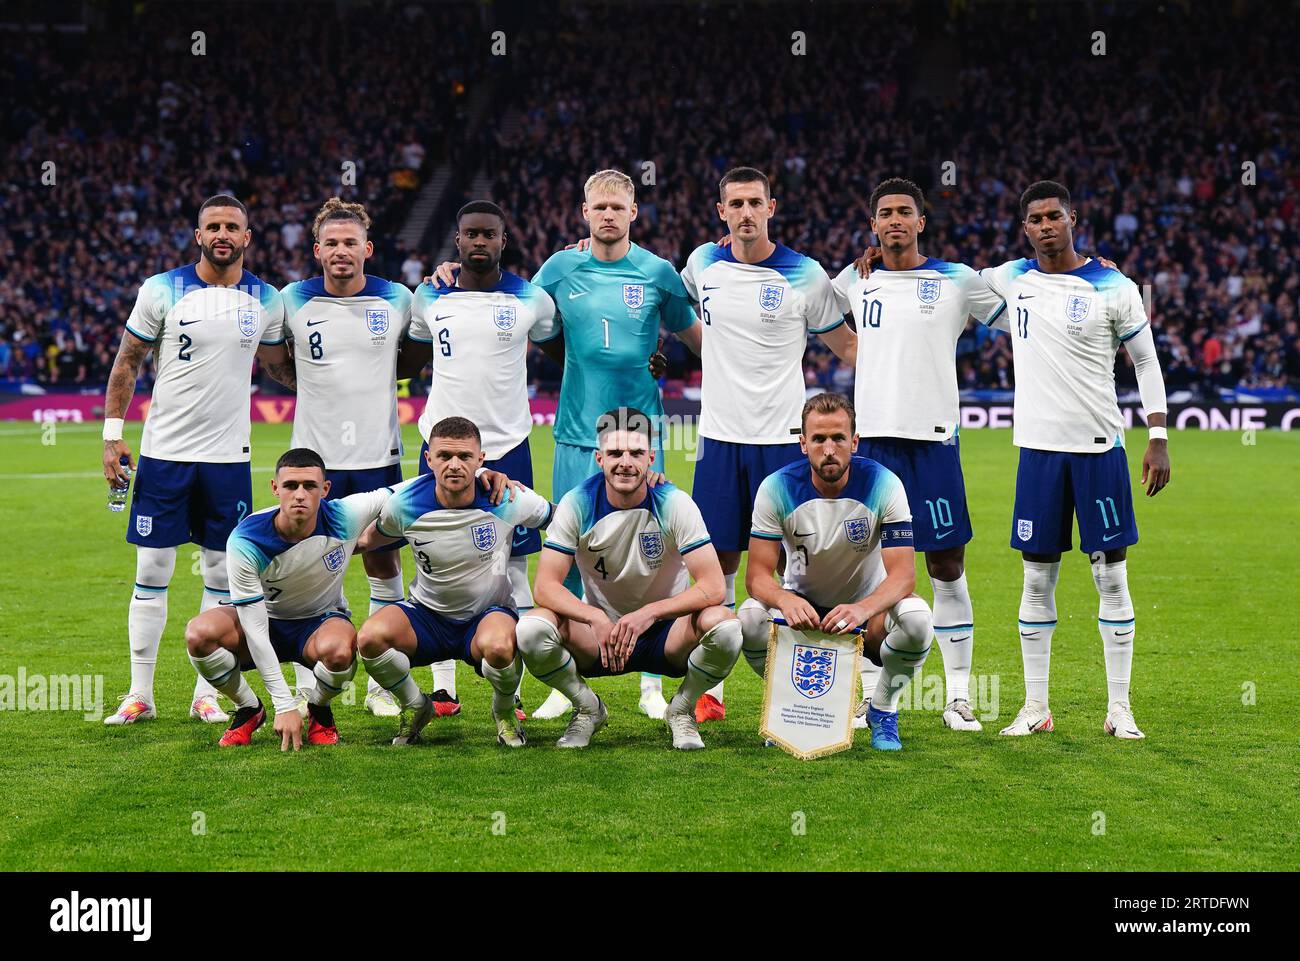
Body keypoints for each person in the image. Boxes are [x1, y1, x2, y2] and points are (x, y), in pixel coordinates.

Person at [977, 180, 1171, 739]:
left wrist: (1157, 435)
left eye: (1053, 216)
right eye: (1035, 219)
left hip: (1099, 450)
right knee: (1037, 580)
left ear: (1073, 218)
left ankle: (1119, 710)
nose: (1045, 226)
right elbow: (944, 277)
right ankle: (1036, 707)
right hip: (1037, 453)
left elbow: (1146, 362)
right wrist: (880, 259)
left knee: (1111, 578)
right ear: (1025, 228)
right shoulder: (1012, 280)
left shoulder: (1115, 285)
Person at [101, 195, 294, 726]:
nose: (223, 234)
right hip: (165, 455)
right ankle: (140, 693)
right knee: (153, 568)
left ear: (248, 236)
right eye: (214, 226)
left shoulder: (267, 299)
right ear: (198, 235)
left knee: (218, 572)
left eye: (233, 226)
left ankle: (204, 694)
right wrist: (112, 434)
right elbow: (128, 362)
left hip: (228, 458)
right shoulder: (161, 288)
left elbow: (280, 367)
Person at [679, 167, 858, 720]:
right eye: (736, 203)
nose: (746, 213)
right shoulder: (701, 264)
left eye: (755, 202)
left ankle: (802, 689)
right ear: (721, 211)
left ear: (772, 207)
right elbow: (665, 298)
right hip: (718, 437)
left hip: (783, 440)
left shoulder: (805, 274)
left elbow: (849, 348)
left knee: (787, 565)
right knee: (718, 564)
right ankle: (713, 692)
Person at [830, 177, 1003, 732]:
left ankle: (957, 697)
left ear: (921, 222)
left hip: (933, 442)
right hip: (874, 444)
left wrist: (1084, 271)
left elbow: (1018, 306)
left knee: (946, 564)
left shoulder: (956, 280)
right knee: (867, 573)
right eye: (886, 213)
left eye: (906, 211)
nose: (896, 220)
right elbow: (813, 315)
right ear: (873, 224)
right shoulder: (855, 281)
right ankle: (870, 698)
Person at [401, 200, 558, 717]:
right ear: (458, 239)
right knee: (436, 556)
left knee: (511, 564)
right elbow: (415, 346)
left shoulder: (531, 298)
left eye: (489, 234)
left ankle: (506, 688)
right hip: (442, 450)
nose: (479, 242)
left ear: (503, 239)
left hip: (509, 443)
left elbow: (556, 345)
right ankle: (443, 688)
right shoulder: (430, 293)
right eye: (470, 234)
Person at [518, 408, 742, 750]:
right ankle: (588, 710)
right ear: (598, 458)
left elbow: (712, 586)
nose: (625, 462)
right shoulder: (576, 503)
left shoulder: (674, 503)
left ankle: (680, 710)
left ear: (651, 457)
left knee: (726, 628)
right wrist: (593, 616)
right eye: (615, 453)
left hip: (668, 635)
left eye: (636, 453)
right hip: (600, 637)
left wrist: (650, 613)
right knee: (531, 629)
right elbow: (545, 586)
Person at [279, 197, 414, 719]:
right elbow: (272, 358)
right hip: (314, 461)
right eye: (331, 243)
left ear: (367, 249)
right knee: (301, 570)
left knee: (383, 561)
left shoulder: (397, 299)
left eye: (350, 243)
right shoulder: (292, 300)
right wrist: (308, 384)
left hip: (377, 454)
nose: (341, 251)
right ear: (317, 251)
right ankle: (302, 684)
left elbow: (418, 351)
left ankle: (383, 679)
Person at [740, 393, 934, 751]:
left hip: (866, 612)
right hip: (803, 613)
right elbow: (756, 577)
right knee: (748, 619)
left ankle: (883, 709)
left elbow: (904, 576)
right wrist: (784, 599)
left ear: (854, 442)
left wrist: (864, 608)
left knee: (918, 620)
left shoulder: (884, 484)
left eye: (838, 438)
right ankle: (788, 708)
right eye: (818, 439)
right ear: (803, 444)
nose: (829, 449)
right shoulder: (776, 487)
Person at [355, 417, 554, 747]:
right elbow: (367, 541)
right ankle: (417, 706)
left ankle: (503, 711)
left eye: (464, 457)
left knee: (502, 647)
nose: (454, 465)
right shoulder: (404, 505)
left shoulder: (506, 498)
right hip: (427, 616)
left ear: (481, 460)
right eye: (444, 456)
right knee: (370, 638)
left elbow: (562, 517)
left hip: (486, 616)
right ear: (428, 458)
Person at [184, 448, 395, 748]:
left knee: (340, 651)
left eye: (310, 486)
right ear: (275, 488)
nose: (300, 494)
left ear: (325, 489)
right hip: (264, 620)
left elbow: (403, 491)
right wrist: (283, 704)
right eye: (290, 485)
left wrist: (479, 475)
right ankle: (249, 708)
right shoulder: (246, 539)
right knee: (199, 634)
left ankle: (318, 708)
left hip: (319, 622)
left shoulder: (345, 514)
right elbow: (256, 630)